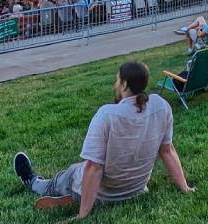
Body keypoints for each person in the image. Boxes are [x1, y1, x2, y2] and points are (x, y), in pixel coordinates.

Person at [13, 61, 194, 215]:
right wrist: (184, 188)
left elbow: (94, 168)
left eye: (117, 80)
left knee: (66, 176)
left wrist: (83, 214)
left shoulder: (107, 114)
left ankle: (34, 182)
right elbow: (167, 151)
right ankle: (66, 195)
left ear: (123, 85)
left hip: (104, 193)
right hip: (136, 190)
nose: (115, 84)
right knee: (78, 169)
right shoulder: (161, 106)